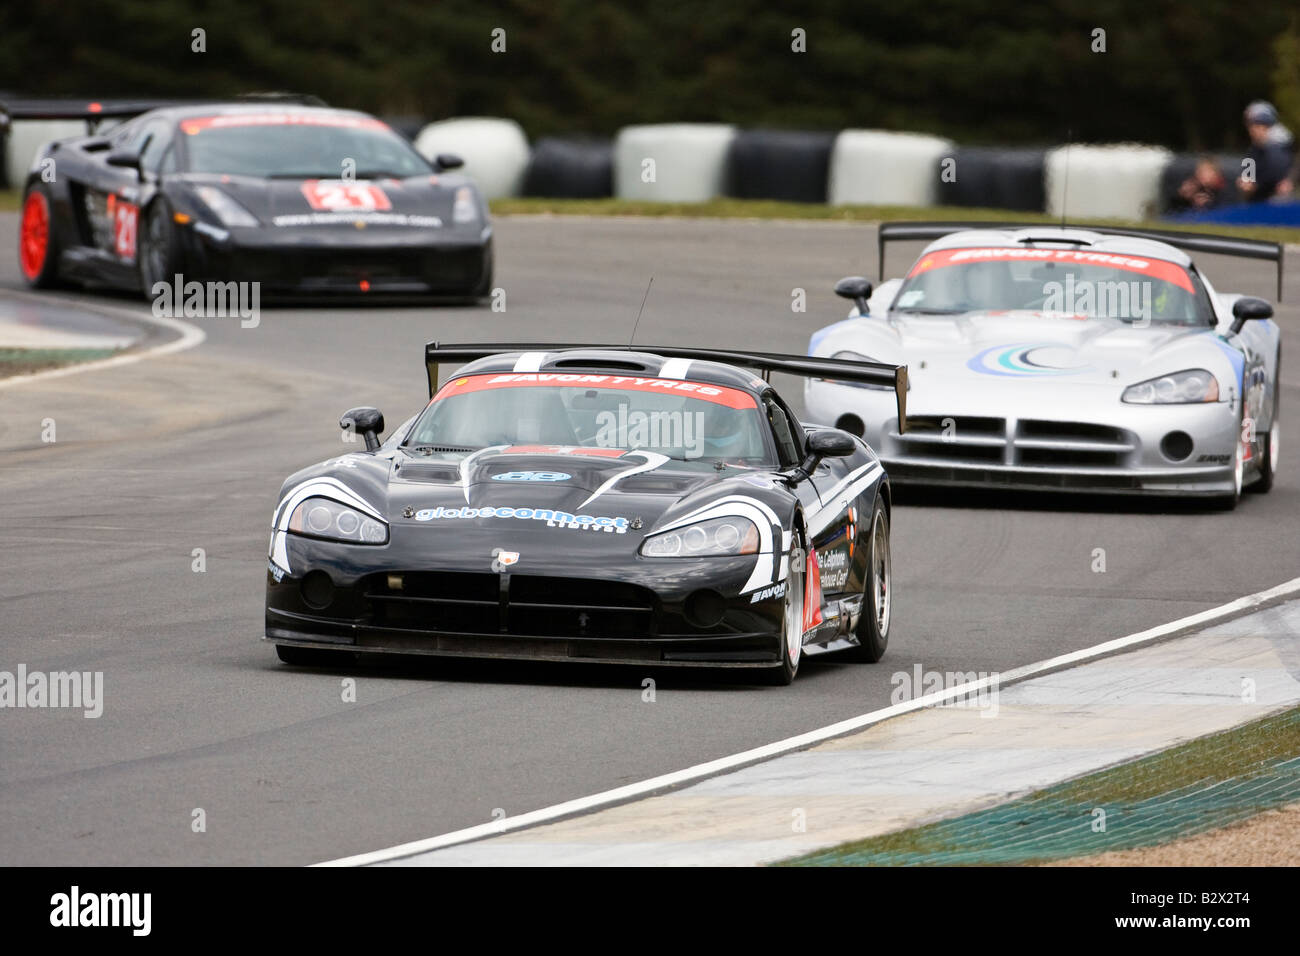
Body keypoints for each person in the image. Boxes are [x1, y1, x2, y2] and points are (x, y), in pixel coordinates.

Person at [1237, 101, 1295, 202]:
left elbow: (1283, 180)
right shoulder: (1252, 152)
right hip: (1258, 204)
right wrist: (1246, 184)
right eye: (1253, 125)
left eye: (1261, 125)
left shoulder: (1280, 149)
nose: (1255, 130)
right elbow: (1247, 178)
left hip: (1278, 205)